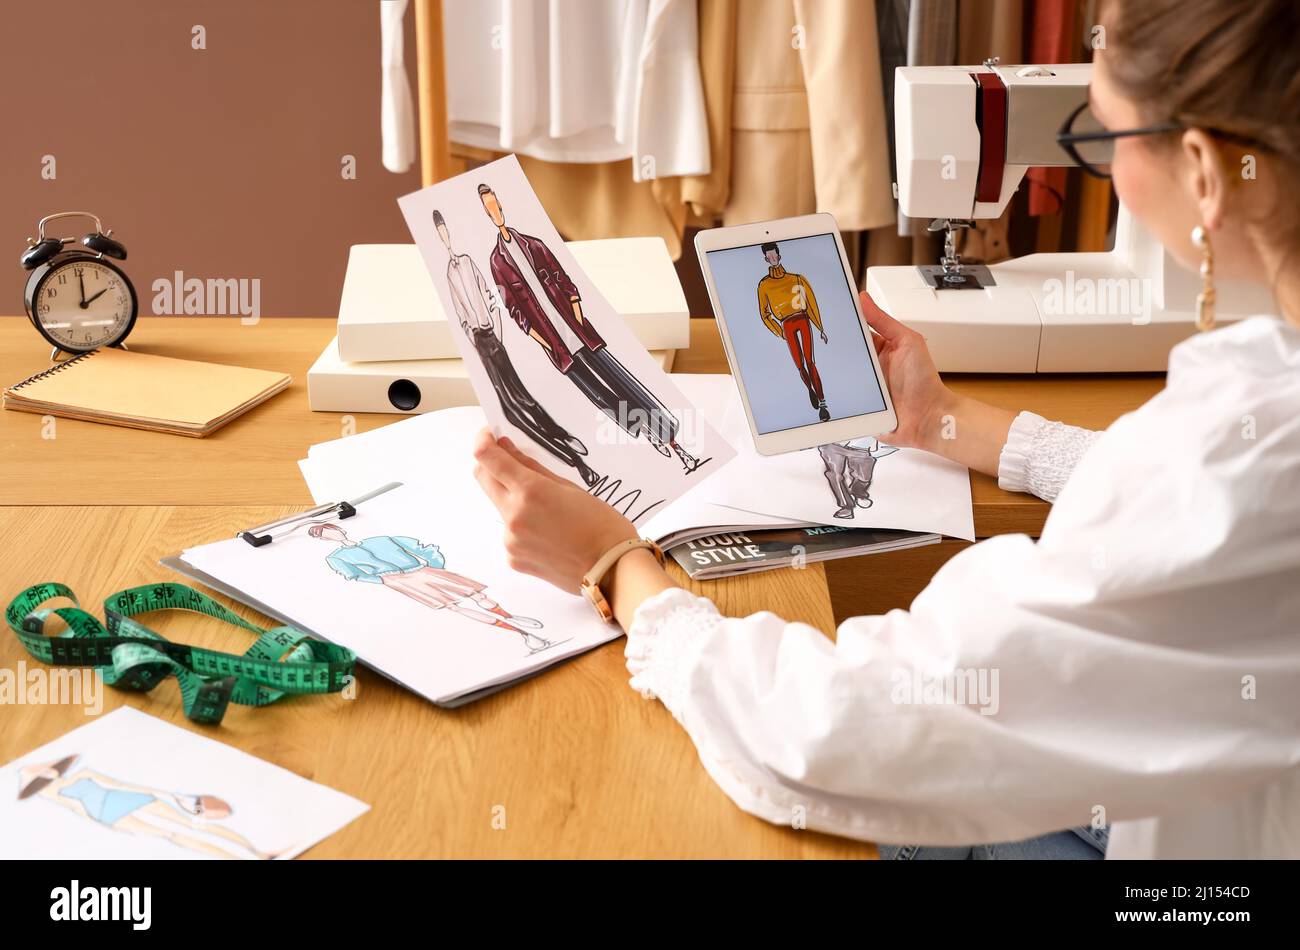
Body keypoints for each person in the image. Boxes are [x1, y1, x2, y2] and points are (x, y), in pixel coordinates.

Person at [469, 0, 1300, 859]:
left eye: (1102, 138)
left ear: (1202, 170)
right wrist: (947, 422)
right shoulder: (1255, 423)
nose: (1106, 169)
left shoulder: (1246, 457)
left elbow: (832, 736)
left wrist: (620, 565)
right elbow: (1169, 500)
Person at [478, 183, 707, 474]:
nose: (495, 211)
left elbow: (564, 279)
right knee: (602, 397)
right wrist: (544, 342)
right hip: (556, 347)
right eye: (488, 209)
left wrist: (577, 316)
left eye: (495, 204)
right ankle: (650, 437)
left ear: (502, 205)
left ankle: (676, 444)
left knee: (624, 383)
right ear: (486, 215)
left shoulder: (534, 244)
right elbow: (514, 309)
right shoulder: (497, 262)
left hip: (579, 331)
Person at [434, 209, 600, 489]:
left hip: (492, 336)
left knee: (522, 398)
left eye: (445, 231)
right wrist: (473, 341)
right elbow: (461, 314)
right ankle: (573, 457)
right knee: (510, 412)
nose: (445, 238)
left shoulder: (468, 262)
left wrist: (495, 331)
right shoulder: (448, 273)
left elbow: (490, 295)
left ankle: (570, 447)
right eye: (440, 235)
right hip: (479, 342)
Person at [757, 242, 831, 422]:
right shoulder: (764, 285)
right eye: (770, 256)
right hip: (786, 325)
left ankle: (823, 404)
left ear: (779, 256)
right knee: (799, 365)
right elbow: (765, 314)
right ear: (766, 259)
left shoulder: (797, 279)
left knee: (809, 361)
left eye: (775, 255)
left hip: (803, 319)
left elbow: (811, 303)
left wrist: (820, 328)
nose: (773, 258)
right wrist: (779, 331)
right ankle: (810, 390)